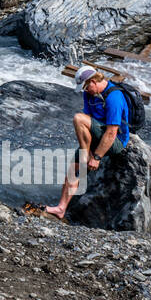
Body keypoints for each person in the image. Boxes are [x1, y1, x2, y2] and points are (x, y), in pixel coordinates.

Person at [45, 65, 130, 220]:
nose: (85, 91)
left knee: (78, 118)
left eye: (85, 87)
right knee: (74, 170)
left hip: (115, 142)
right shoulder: (90, 95)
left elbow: (111, 133)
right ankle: (61, 208)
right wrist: (87, 150)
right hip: (97, 136)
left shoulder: (114, 97)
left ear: (93, 81)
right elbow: (88, 124)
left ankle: (85, 156)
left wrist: (96, 157)